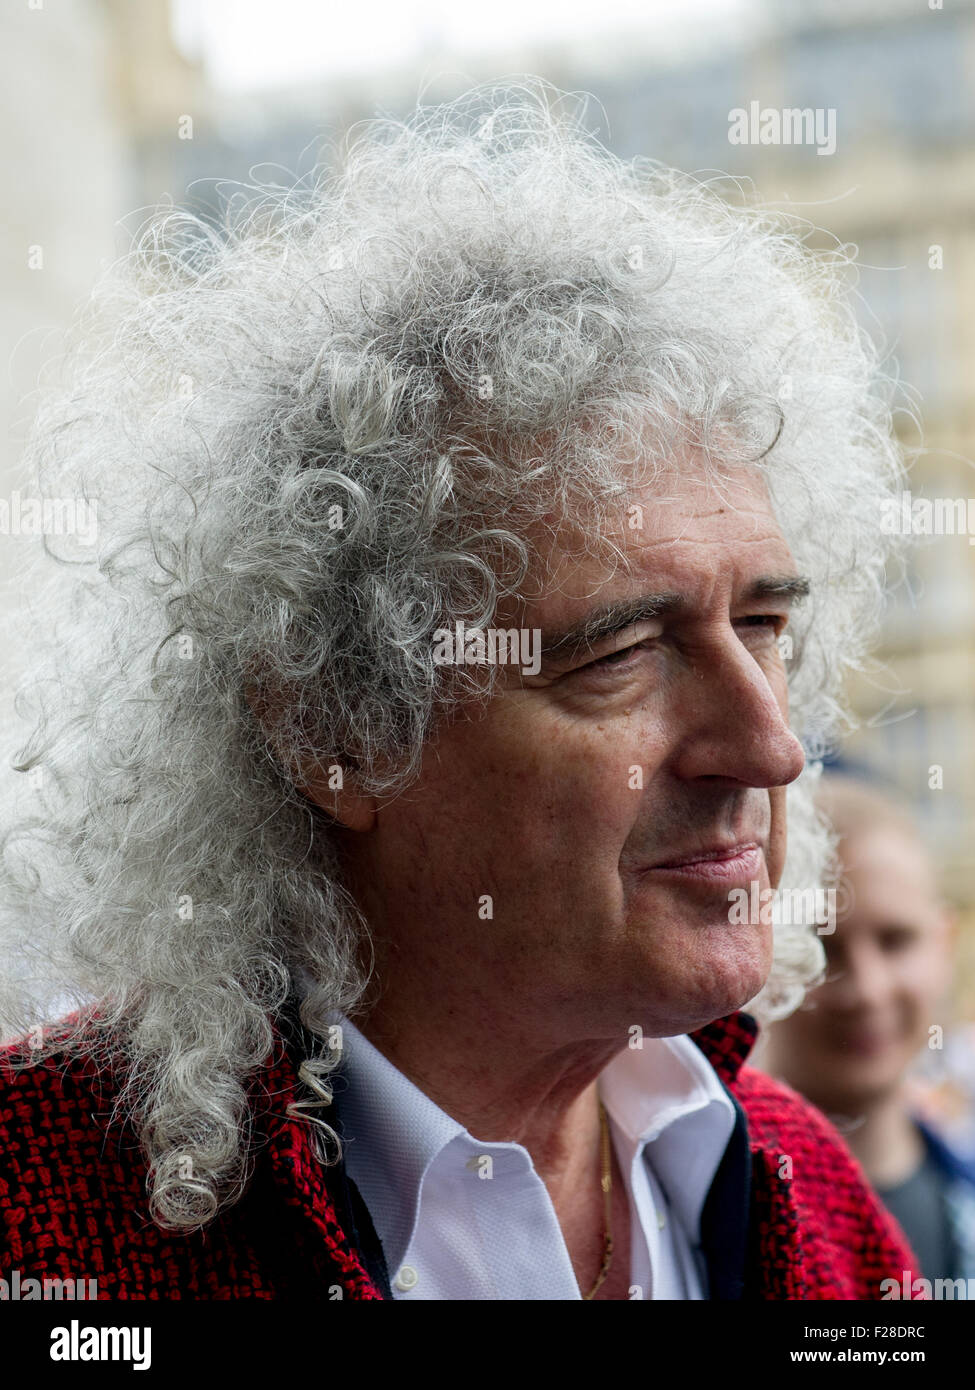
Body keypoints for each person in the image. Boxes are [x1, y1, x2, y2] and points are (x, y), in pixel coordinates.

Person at [0, 78, 923, 1300]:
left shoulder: (818, 1200)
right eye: (621, 653)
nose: (770, 746)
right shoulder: (39, 1212)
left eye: (764, 624)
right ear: (335, 729)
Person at [761, 772, 975, 1287]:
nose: (867, 989)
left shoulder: (962, 1195)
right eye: (824, 948)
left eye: (896, 941)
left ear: (944, 945)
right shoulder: (704, 1205)